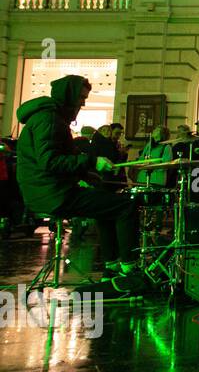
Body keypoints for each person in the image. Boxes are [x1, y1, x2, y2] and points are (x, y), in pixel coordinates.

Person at [15, 75, 142, 289]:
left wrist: (86, 174)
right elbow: (50, 161)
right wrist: (91, 160)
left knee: (107, 206)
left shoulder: (49, 117)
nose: (83, 102)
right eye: (81, 97)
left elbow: (54, 159)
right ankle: (129, 269)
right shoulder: (49, 119)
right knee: (126, 207)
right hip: (53, 193)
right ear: (69, 95)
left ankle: (112, 267)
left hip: (47, 190)